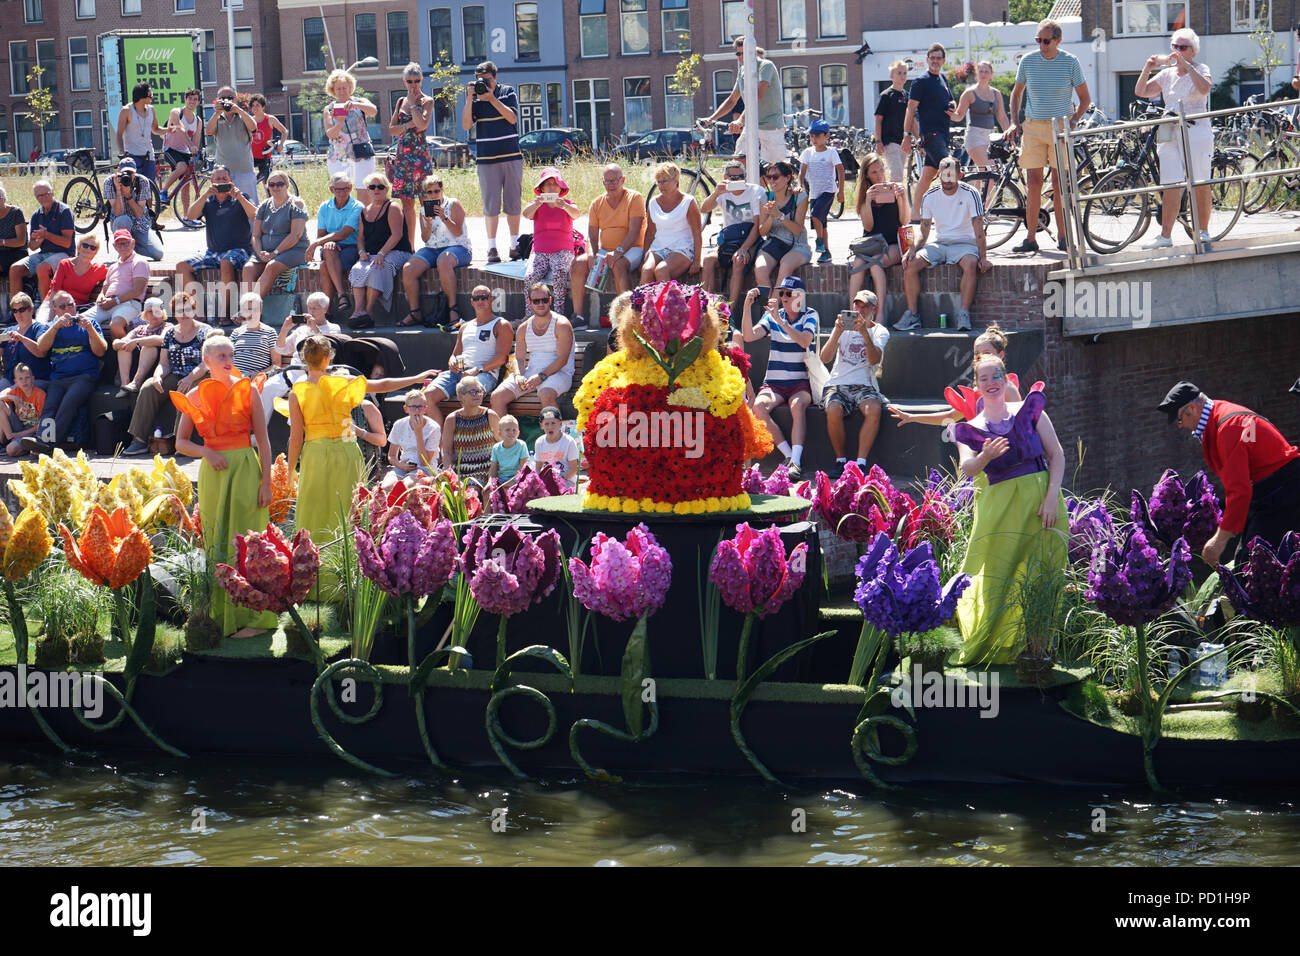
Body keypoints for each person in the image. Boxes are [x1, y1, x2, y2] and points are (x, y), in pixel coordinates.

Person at [287, 335, 434, 593]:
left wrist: (290, 470)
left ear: (304, 359)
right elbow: (383, 384)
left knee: (313, 510)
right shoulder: (343, 381)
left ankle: (312, 581)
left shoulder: (297, 390)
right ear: (328, 357)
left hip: (315, 454)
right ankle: (348, 580)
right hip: (345, 452)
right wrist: (415, 378)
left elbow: (296, 436)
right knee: (348, 512)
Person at [954, 353, 1067, 665]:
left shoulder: (1031, 412)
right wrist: (985, 457)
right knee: (997, 576)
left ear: (1005, 379)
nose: (991, 383)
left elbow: (1056, 455)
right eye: (984, 378)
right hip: (1000, 511)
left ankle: (1037, 652)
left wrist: (1051, 496)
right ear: (976, 385)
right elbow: (968, 469)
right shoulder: (969, 428)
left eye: (996, 376)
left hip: (1042, 504)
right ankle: (993, 648)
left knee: (1041, 577)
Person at [171, 334, 278, 639]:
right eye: (220, 355)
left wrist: (266, 483)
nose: (227, 359)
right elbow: (181, 443)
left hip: (245, 468)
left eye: (229, 354)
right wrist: (206, 451)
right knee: (216, 541)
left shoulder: (248, 391)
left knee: (248, 540)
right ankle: (220, 615)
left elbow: (265, 442)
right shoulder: (193, 395)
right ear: (206, 361)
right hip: (213, 474)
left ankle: (258, 620)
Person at [1160, 381, 1300, 566]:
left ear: (1191, 409)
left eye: (1179, 419)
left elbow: (1239, 490)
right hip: (1272, 490)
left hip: (1282, 491)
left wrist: (1219, 541)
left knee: (1251, 567)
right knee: (1252, 563)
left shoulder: (1228, 427)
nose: (1180, 425)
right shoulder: (1219, 417)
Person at [1006, 18, 1091, 253]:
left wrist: (1073, 122)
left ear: (1058, 40)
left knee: (1058, 185)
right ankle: (1030, 238)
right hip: (1033, 127)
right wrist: (1015, 122)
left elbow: (1085, 99)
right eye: (1038, 40)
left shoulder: (1070, 62)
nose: (1041, 45)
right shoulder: (1028, 61)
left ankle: (1064, 238)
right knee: (1033, 183)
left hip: (1060, 128)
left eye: (1046, 40)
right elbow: (1016, 93)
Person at [1134, 28, 1213, 250]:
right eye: (1174, 46)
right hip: (1169, 129)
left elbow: (1205, 88)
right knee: (1170, 184)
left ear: (1192, 51)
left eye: (1183, 47)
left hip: (1195, 129)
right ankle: (1165, 235)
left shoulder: (1200, 68)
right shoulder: (1167, 73)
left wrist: (1186, 65)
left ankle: (1203, 230)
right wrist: (1147, 67)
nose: (1177, 51)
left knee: (1199, 182)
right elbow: (1141, 91)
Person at [897, 157, 990, 333]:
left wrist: (983, 257)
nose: (947, 181)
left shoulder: (971, 193)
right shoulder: (929, 196)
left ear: (960, 175)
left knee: (970, 263)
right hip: (940, 243)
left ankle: (963, 313)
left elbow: (978, 227)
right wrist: (913, 249)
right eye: (944, 176)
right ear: (939, 174)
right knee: (910, 263)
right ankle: (913, 315)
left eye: (951, 176)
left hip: (965, 243)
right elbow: (924, 231)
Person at [740, 276, 818, 480]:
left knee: (797, 406)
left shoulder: (810, 314)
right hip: (774, 383)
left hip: (800, 382)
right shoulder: (774, 315)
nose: (783, 297)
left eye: (788, 293)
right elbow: (749, 336)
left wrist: (780, 321)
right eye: (781, 292)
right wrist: (747, 306)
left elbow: (804, 341)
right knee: (758, 407)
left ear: (799, 296)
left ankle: (797, 461)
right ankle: (790, 456)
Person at [889, 323, 1033, 428]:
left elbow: (1021, 424)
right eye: (977, 354)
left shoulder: (1007, 387)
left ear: (1000, 355)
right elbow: (950, 417)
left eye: (987, 353)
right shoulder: (978, 389)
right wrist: (913, 417)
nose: (981, 358)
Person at [122, 292, 211, 456]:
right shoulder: (170, 333)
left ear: (193, 310)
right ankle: (139, 440)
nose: (183, 314)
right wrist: (158, 376)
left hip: (199, 376)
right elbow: (164, 362)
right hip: (175, 374)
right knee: (149, 387)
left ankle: (182, 443)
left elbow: (206, 363)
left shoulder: (205, 331)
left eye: (187, 310)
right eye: (179, 310)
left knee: (187, 391)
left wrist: (190, 377)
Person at [23, 291, 107, 454]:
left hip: (84, 376)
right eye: (62, 306)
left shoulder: (89, 323)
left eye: (71, 304)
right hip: (59, 378)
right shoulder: (50, 327)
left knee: (68, 403)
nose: (68, 309)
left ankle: (49, 444)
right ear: (55, 310)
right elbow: (41, 347)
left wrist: (90, 330)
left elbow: (101, 351)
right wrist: (56, 326)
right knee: (50, 406)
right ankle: (41, 441)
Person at [820, 290, 890, 477]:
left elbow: (874, 359)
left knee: (874, 409)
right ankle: (840, 461)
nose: (859, 310)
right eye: (856, 305)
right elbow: (824, 358)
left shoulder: (879, 331)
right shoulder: (842, 328)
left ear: (874, 309)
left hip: (864, 385)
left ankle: (860, 464)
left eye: (864, 306)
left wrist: (864, 332)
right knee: (833, 409)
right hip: (837, 383)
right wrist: (836, 332)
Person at [176, 166, 257, 323]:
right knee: (181, 266)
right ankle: (198, 313)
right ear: (211, 181)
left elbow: (255, 215)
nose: (221, 182)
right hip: (213, 252)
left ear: (231, 181)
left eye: (224, 179)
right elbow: (190, 216)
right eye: (217, 179)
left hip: (239, 250)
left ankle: (223, 314)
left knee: (226, 262)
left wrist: (240, 197)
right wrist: (205, 194)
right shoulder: (207, 201)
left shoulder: (241, 197)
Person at [423, 283, 512, 426]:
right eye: (476, 298)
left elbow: (502, 358)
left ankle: (472, 438)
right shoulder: (464, 326)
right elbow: (455, 354)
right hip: (459, 373)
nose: (480, 301)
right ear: (472, 301)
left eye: (484, 297)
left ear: (491, 300)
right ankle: (439, 443)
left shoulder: (501, 324)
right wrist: (452, 362)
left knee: (470, 394)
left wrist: (478, 369)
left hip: (485, 374)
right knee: (427, 396)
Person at [462, 60, 522, 264]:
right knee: (491, 205)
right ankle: (492, 247)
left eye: (487, 79)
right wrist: (470, 99)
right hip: (487, 159)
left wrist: (491, 99)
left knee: (513, 203)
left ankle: (514, 246)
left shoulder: (507, 91)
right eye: (480, 80)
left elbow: (512, 118)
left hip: (511, 156)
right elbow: (466, 124)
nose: (484, 84)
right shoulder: (475, 97)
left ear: (495, 77)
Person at [490, 282, 575, 418]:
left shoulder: (562, 324)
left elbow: (562, 359)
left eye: (544, 300)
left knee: (545, 394)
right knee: (497, 397)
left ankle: (556, 437)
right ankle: (506, 438)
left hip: (560, 373)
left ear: (550, 300)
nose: (541, 304)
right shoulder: (523, 328)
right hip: (532, 374)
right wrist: (518, 376)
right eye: (536, 301)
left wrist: (541, 376)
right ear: (530, 302)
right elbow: (519, 358)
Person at [571, 164, 645, 317]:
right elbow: (592, 235)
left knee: (618, 264)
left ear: (623, 180)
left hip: (632, 248)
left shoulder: (635, 197)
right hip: (605, 250)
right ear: (603, 182)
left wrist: (618, 252)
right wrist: (592, 254)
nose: (611, 185)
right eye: (608, 181)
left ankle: (627, 316)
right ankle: (578, 316)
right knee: (578, 263)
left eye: (615, 181)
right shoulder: (596, 203)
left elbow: (634, 232)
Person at [399, 176, 470, 328]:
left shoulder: (453, 204)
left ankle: (453, 309)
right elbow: (425, 239)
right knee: (408, 268)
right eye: (429, 192)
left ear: (442, 189)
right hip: (432, 248)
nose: (433, 195)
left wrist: (444, 217)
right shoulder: (424, 209)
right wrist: (429, 224)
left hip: (458, 246)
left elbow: (458, 232)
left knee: (443, 261)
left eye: (436, 191)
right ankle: (415, 312)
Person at [704, 37, 786, 165]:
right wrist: (710, 119)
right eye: (738, 53)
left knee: (777, 169)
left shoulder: (766, 66)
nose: (741, 57)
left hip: (770, 124)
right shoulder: (742, 71)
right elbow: (732, 100)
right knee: (738, 163)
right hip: (752, 126)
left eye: (744, 53)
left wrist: (740, 121)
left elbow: (757, 97)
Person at [347, 173, 413, 329]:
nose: (376, 190)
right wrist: (361, 251)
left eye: (380, 187)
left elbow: (397, 235)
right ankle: (358, 310)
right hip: (373, 254)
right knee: (357, 268)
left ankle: (368, 312)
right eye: (372, 187)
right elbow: (361, 238)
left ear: (386, 189)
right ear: (368, 190)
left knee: (378, 268)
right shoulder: (364, 211)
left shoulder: (393, 207)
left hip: (397, 251)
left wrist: (382, 253)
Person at [902, 44, 959, 217]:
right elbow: (910, 109)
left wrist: (953, 106)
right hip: (931, 134)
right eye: (932, 58)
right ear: (927, 60)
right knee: (950, 168)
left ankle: (914, 213)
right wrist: (906, 135)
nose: (935, 61)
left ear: (943, 60)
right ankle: (951, 212)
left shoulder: (943, 79)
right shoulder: (921, 81)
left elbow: (951, 100)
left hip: (943, 134)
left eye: (938, 58)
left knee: (927, 175)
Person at [848, 152, 908, 310]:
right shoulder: (864, 196)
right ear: (866, 175)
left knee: (875, 264)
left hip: (892, 242)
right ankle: (851, 311)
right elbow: (868, 227)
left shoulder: (893, 190)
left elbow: (905, 221)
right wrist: (868, 201)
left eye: (881, 169)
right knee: (857, 264)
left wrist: (903, 198)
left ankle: (880, 312)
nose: (880, 175)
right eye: (874, 172)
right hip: (872, 243)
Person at [700, 157, 763, 307]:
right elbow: (704, 209)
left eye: (740, 177)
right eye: (733, 178)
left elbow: (757, 226)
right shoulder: (723, 191)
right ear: (726, 178)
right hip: (729, 240)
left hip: (750, 238)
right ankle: (706, 306)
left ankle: (731, 311)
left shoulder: (755, 191)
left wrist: (744, 248)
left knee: (738, 261)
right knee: (708, 260)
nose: (737, 180)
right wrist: (716, 193)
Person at [523, 167, 583, 319]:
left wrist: (563, 205)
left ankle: (558, 314)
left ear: (560, 187)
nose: (551, 187)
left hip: (562, 250)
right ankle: (530, 315)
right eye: (547, 184)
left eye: (554, 184)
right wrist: (537, 203)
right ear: (542, 188)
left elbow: (576, 214)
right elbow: (526, 214)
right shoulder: (537, 204)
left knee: (559, 272)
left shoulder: (567, 203)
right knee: (529, 277)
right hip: (540, 251)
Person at [389, 63, 436, 249]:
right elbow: (391, 128)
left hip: (420, 156)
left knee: (428, 199)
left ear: (421, 80)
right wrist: (407, 125)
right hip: (403, 156)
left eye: (416, 81)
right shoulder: (401, 101)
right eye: (409, 81)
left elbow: (423, 125)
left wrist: (414, 106)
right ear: (404, 81)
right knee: (407, 204)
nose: (413, 85)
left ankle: (432, 241)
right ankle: (410, 245)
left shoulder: (427, 101)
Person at [751, 161, 811, 307]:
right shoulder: (766, 197)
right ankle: (769, 310)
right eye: (768, 177)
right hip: (775, 242)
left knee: (785, 265)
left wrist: (780, 215)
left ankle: (769, 314)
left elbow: (797, 229)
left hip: (797, 244)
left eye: (775, 177)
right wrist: (771, 216)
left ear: (787, 178)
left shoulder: (800, 198)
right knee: (760, 269)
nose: (771, 181)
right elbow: (762, 231)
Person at [242, 172, 308, 302]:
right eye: (272, 184)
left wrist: (274, 253)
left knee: (271, 266)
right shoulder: (264, 205)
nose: (276, 187)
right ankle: (248, 306)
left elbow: (296, 235)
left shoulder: (297, 204)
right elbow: (255, 235)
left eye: (280, 184)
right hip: (266, 252)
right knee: (248, 268)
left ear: (287, 185)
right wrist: (260, 252)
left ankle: (249, 308)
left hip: (293, 250)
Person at [308, 172, 363, 318]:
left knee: (325, 265)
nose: (342, 193)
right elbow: (321, 234)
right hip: (330, 248)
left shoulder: (357, 206)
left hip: (350, 247)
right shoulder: (325, 207)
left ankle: (326, 312)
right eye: (338, 189)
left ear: (351, 188)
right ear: (332, 189)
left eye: (345, 188)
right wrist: (328, 241)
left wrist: (317, 243)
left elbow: (344, 233)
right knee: (328, 249)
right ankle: (342, 296)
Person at [9, 181, 74, 303]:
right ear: (36, 197)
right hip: (43, 254)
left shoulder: (64, 211)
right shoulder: (36, 215)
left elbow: (67, 243)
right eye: (39, 196)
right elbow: (32, 246)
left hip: (64, 254)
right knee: (15, 269)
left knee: (41, 268)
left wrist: (46, 235)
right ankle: (18, 309)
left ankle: (45, 309)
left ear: (52, 193)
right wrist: (39, 240)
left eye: (46, 194)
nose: (43, 198)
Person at [641, 162, 703, 285]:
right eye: (658, 182)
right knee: (647, 270)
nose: (661, 185)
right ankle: (643, 303)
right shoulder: (653, 203)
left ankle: (672, 303)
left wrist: (697, 260)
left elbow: (697, 233)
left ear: (676, 180)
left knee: (661, 270)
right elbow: (650, 232)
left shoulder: (688, 202)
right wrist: (643, 258)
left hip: (682, 248)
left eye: (665, 181)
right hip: (658, 247)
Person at [85, 229, 150, 341]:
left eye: (126, 243)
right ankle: (94, 354)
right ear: (114, 246)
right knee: (81, 321)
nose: (123, 247)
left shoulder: (139, 262)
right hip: (108, 304)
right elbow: (104, 289)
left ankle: (127, 352)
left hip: (129, 304)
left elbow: (137, 290)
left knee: (115, 325)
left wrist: (114, 302)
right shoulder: (113, 267)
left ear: (133, 243)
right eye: (119, 244)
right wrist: (101, 298)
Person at [798, 119, 845, 265]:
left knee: (815, 215)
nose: (813, 139)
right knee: (821, 223)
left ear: (827, 136)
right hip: (814, 192)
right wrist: (800, 185)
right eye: (811, 136)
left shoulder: (831, 152)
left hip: (828, 191)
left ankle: (819, 242)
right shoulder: (807, 153)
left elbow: (840, 170)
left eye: (817, 136)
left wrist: (841, 191)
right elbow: (802, 172)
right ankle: (826, 252)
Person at [324, 70, 379, 189]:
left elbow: (373, 111)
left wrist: (355, 105)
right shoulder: (329, 109)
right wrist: (339, 122)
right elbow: (330, 134)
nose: (342, 91)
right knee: (340, 193)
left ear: (350, 87)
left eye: (344, 87)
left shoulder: (360, 101)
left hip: (362, 154)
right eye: (338, 89)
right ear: (333, 90)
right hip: (339, 156)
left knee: (364, 190)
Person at [440, 376, 499, 485]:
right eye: (473, 391)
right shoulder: (452, 419)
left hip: (487, 470)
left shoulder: (490, 415)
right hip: (460, 472)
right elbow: (447, 451)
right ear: (461, 396)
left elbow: (502, 445)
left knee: (472, 490)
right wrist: (449, 474)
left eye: (479, 391)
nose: (477, 395)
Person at [952, 62, 1010, 169]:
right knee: (990, 170)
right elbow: (959, 116)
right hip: (974, 136)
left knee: (982, 175)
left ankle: (975, 186)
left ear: (991, 75)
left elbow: (1002, 117)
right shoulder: (969, 93)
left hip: (991, 137)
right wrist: (949, 112)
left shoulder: (996, 93)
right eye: (981, 71)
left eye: (986, 72)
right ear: (976, 74)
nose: (983, 74)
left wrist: (1009, 135)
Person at [39, 234, 107, 323]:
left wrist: (102, 293)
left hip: (76, 307)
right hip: (55, 303)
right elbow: (54, 291)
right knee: (42, 325)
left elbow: (113, 275)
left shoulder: (99, 269)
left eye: (92, 247)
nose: (88, 249)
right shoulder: (65, 264)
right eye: (85, 245)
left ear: (95, 252)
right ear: (78, 247)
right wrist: (51, 316)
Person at [206, 86, 259, 201]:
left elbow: (253, 127)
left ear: (236, 99)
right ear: (218, 100)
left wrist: (239, 110)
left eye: (230, 98)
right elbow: (209, 132)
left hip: (244, 172)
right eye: (223, 98)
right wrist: (216, 113)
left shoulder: (243, 116)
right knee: (223, 209)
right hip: (222, 176)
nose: (227, 101)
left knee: (249, 208)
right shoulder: (216, 118)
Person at [112, 296, 170, 399]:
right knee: (123, 347)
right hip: (135, 364)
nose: (154, 314)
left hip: (156, 367)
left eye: (157, 311)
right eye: (150, 311)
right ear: (145, 315)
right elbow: (123, 341)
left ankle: (136, 383)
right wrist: (117, 343)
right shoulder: (140, 329)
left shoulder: (167, 326)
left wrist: (138, 341)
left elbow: (162, 339)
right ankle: (124, 385)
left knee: (149, 346)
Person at [385, 388, 441, 487]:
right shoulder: (399, 424)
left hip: (424, 469)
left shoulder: (433, 428)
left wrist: (418, 432)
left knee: (406, 486)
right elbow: (391, 456)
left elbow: (424, 462)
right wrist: (399, 465)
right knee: (387, 486)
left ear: (425, 409)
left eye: (420, 407)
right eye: (413, 407)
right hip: (403, 466)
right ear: (406, 409)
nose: (417, 411)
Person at [158, 89, 203, 204]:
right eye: (189, 99)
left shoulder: (198, 121)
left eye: (195, 99)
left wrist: (195, 152)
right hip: (170, 149)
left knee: (186, 184)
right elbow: (180, 129)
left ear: (198, 102)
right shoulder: (176, 112)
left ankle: (187, 218)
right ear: (185, 100)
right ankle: (163, 191)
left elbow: (196, 141)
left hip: (184, 152)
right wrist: (191, 145)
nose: (192, 101)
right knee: (182, 167)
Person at [275, 292, 341, 370]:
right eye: (309, 308)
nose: (311, 312)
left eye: (315, 308)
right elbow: (280, 349)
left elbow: (328, 352)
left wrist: (315, 329)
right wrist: (284, 329)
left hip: (317, 372)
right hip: (295, 371)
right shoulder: (301, 329)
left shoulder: (333, 328)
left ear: (325, 309)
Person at [0, 294, 51, 391]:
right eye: (15, 311)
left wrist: (22, 338)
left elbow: (41, 352)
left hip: (34, 379)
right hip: (11, 379)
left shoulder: (39, 328)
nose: (18, 314)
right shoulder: (9, 330)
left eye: (21, 310)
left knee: (6, 395)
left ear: (31, 310)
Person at [115, 82, 163, 183]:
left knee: (150, 187)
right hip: (132, 155)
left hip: (149, 155)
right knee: (133, 186)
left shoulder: (151, 110)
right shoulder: (126, 110)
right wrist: (122, 152)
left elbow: (155, 129)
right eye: (150, 96)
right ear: (142, 97)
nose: (152, 98)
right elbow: (119, 134)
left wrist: (169, 130)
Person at [875, 61, 912, 184]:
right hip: (890, 141)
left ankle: (895, 201)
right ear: (892, 76)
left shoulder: (907, 96)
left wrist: (919, 139)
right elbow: (878, 119)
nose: (902, 76)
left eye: (905, 73)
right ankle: (894, 202)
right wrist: (878, 141)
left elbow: (912, 119)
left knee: (900, 176)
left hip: (903, 142)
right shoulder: (886, 95)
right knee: (897, 175)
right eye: (899, 73)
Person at [228, 291, 279, 379]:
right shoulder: (236, 332)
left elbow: (277, 364)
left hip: (256, 379)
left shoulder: (270, 332)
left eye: (255, 309)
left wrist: (259, 375)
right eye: (248, 309)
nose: (251, 313)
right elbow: (226, 356)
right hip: (235, 377)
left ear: (260, 310)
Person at [248, 94, 289, 197]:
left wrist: (281, 144)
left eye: (257, 105)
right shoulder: (249, 120)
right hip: (250, 156)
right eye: (253, 105)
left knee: (267, 185)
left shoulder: (270, 119)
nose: (255, 108)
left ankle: (270, 204)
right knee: (249, 182)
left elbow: (284, 131)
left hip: (265, 155)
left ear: (263, 106)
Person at [0, 362, 44, 457]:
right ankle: (9, 438)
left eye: (27, 378)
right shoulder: (16, 391)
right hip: (18, 427)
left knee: (11, 450)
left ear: (33, 379)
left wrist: (19, 434)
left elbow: (40, 424)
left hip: (32, 432)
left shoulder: (40, 395)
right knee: (0, 404)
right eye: (20, 379)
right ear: (16, 382)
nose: (24, 381)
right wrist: (11, 397)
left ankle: (27, 447)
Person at [533, 406, 578, 484]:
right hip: (546, 480)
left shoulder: (569, 442)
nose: (550, 427)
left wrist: (558, 479)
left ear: (560, 424)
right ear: (541, 426)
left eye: (553, 423)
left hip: (566, 479)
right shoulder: (539, 442)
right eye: (546, 424)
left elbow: (573, 469)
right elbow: (538, 468)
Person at [0, 183, 30, 281]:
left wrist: (2, 242)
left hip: (16, 252)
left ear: (3, 199)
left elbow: (21, 241)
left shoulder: (16, 212)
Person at [490, 414, 528, 483]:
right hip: (501, 478)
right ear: (500, 434)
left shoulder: (522, 445)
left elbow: (523, 468)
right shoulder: (496, 448)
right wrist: (490, 482)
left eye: (514, 430)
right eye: (507, 430)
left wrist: (512, 482)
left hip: (518, 478)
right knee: (486, 492)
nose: (511, 432)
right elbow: (493, 469)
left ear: (518, 433)